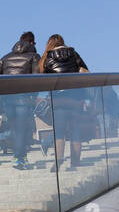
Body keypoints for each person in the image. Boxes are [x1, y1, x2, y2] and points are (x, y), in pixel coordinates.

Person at [37, 35, 91, 169]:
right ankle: (76, 162)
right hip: (75, 99)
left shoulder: (47, 57)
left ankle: (59, 159)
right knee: (76, 132)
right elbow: (86, 72)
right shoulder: (73, 54)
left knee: (59, 132)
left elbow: (42, 77)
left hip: (58, 100)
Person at [0, 32, 40, 170]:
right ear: (31, 43)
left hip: (8, 100)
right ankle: (19, 158)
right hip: (24, 99)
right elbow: (38, 78)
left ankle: (21, 157)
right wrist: (33, 97)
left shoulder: (6, 57)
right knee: (21, 129)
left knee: (16, 129)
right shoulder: (34, 56)